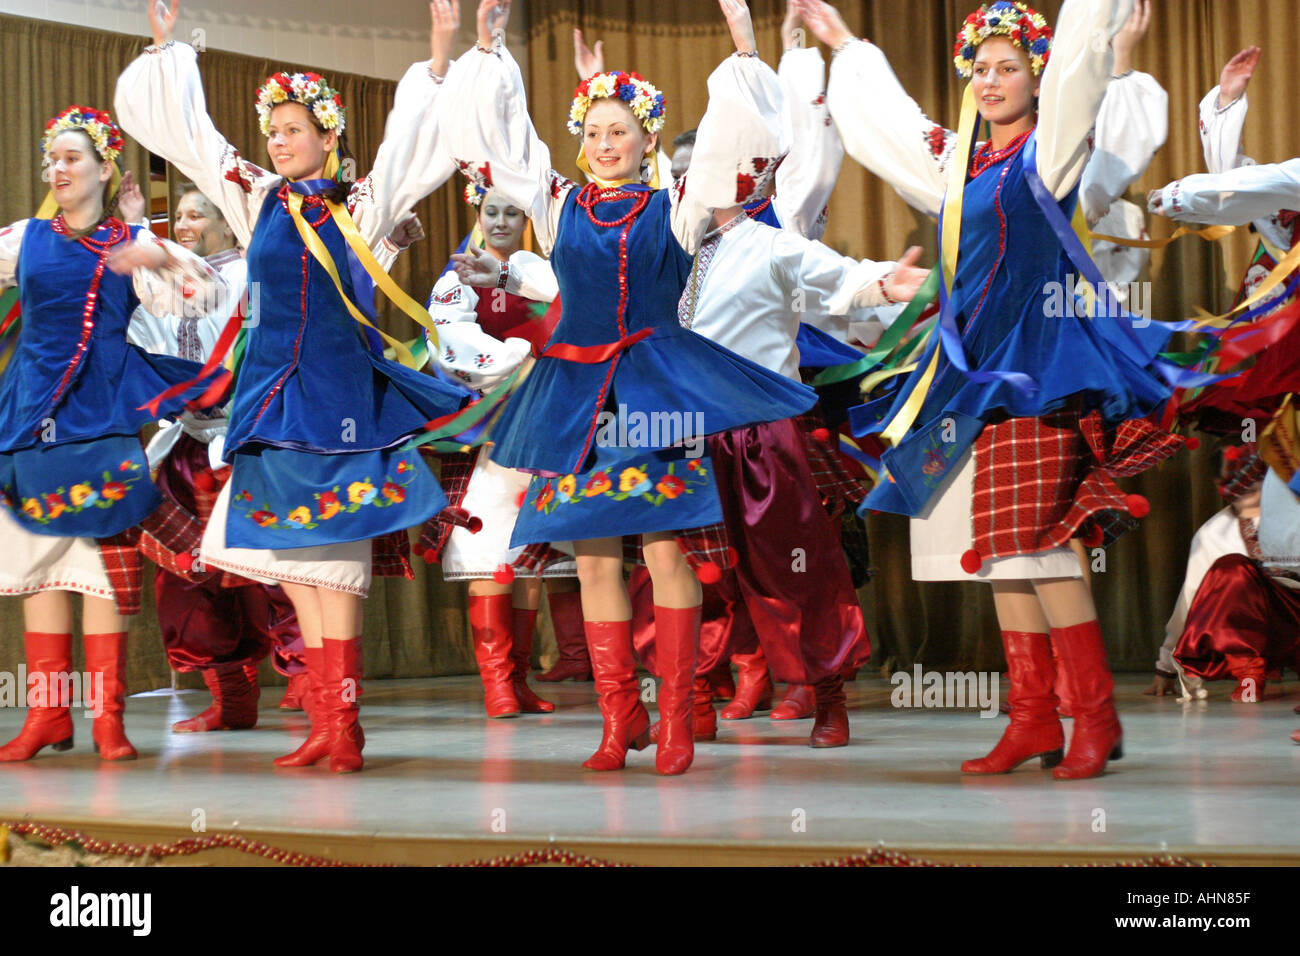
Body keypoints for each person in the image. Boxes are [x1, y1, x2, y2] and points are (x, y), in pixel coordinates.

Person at [800, 0, 1182, 780]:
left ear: (1037, 78)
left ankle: (1094, 719)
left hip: (1044, 368)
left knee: (1040, 547)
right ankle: (1034, 719)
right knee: (1005, 553)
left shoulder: (1053, 155)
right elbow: (894, 127)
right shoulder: (956, 163)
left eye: (1010, 67)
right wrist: (846, 46)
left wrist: (1106, 37)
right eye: (982, 68)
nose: (993, 79)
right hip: (979, 376)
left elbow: (1081, 69)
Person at [438, 0, 820, 775]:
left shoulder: (676, 208)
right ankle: (621, 722)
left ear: (648, 140)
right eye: (592, 131)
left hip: (651, 396)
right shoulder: (557, 204)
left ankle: (676, 717)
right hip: (577, 399)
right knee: (593, 562)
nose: (603, 144)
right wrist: (490, 50)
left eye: (619, 130)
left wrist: (745, 51)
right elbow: (507, 145)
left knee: (666, 554)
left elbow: (728, 146)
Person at [114, 0, 474, 772]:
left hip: (339, 406)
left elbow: (414, 150)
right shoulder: (254, 198)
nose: (277, 143)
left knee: (333, 568)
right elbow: (197, 144)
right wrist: (168, 51)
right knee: (294, 568)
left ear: (327, 137)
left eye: (293, 131)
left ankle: (345, 726)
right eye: (272, 131)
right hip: (275, 402)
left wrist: (439, 59)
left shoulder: (362, 207)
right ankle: (323, 717)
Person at [0, 105, 227, 762]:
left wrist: (154, 247)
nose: (59, 168)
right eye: (53, 160)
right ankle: (47, 716)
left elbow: (207, 297)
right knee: (39, 565)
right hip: (28, 413)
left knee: (97, 564)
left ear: (105, 167)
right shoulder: (27, 239)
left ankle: (107, 718)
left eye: (72, 157)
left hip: (99, 414)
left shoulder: (129, 243)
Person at [118, 180, 307, 732]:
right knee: (187, 579)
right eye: (177, 215)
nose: (184, 223)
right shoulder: (163, 283)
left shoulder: (249, 275)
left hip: (251, 444)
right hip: (187, 449)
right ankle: (232, 699)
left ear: (228, 226)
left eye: (197, 215)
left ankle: (316, 689)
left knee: (279, 571)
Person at [419, 180, 581, 716]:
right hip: (490, 431)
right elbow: (452, 346)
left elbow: (576, 310)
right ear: (478, 214)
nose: (502, 223)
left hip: (541, 425)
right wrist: (520, 353)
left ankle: (518, 677)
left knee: (530, 558)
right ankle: (495, 683)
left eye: (513, 213)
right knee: (490, 557)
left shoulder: (540, 272)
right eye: (493, 212)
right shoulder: (457, 277)